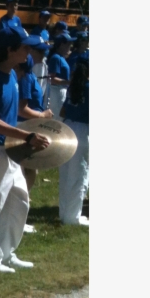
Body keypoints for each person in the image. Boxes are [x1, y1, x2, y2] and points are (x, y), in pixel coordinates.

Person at [0, 25, 49, 273]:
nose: (29, 51)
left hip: (9, 148)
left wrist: (33, 128)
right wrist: (26, 135)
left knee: (19, 200)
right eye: (25, 47)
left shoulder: (12, 76)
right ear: (10, 49)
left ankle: (6, 253)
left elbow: (13, 111)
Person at [16, 53, 53, 234]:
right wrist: (42, 115)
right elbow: (21, 109)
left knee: (30, 172)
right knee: (26, 172)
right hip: (24, 127)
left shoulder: (30, 76)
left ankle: (20, 213)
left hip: (31, 127)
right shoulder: (25, 79)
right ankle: (17, 215)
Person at [59, 62, 90, 227]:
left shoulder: (72, 87)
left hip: (67, 127)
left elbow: (62, 111)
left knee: (65, 173)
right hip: (82, 129)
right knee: (79, 174)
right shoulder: (89, 87)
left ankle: (64, 212)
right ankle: (73, 217)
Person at [47, 32, 75, 118]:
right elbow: (52, 79)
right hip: (57, 91)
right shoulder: (56, 58)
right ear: (61, 45)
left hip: (62, 90)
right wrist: (70, 82)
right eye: (68, 44)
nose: (70, 46)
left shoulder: (61, 57)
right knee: (57, 118)